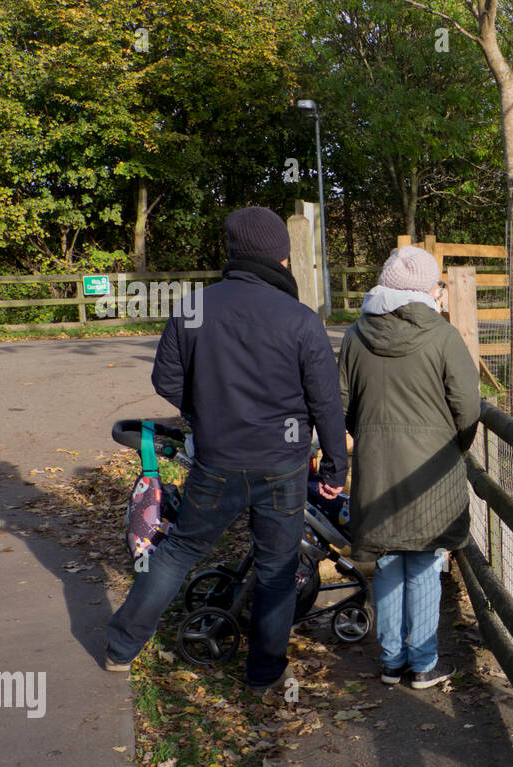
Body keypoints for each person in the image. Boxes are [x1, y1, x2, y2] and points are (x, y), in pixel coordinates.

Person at [104, 206, 348, 694]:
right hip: (283, 463)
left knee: (177, 553)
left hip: (216, 457)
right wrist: (336, 469)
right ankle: (263, 674)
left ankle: (120, 649)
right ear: (282, 258)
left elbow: (166, 379)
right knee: (278, 568)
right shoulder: (301, 319)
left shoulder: (194, 306)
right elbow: (326, 401)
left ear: (233, 253)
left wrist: (206, 411)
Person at [339, 246, 479, 689]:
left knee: (385, 561)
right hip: (430, 474)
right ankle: (422, 663)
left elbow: (340, 404)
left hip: (376, 470)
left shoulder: (356, 335)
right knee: (423, 562)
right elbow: (468, 407)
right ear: (427, 290)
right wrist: (456, 447)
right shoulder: (443, 336)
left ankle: (391, 660)